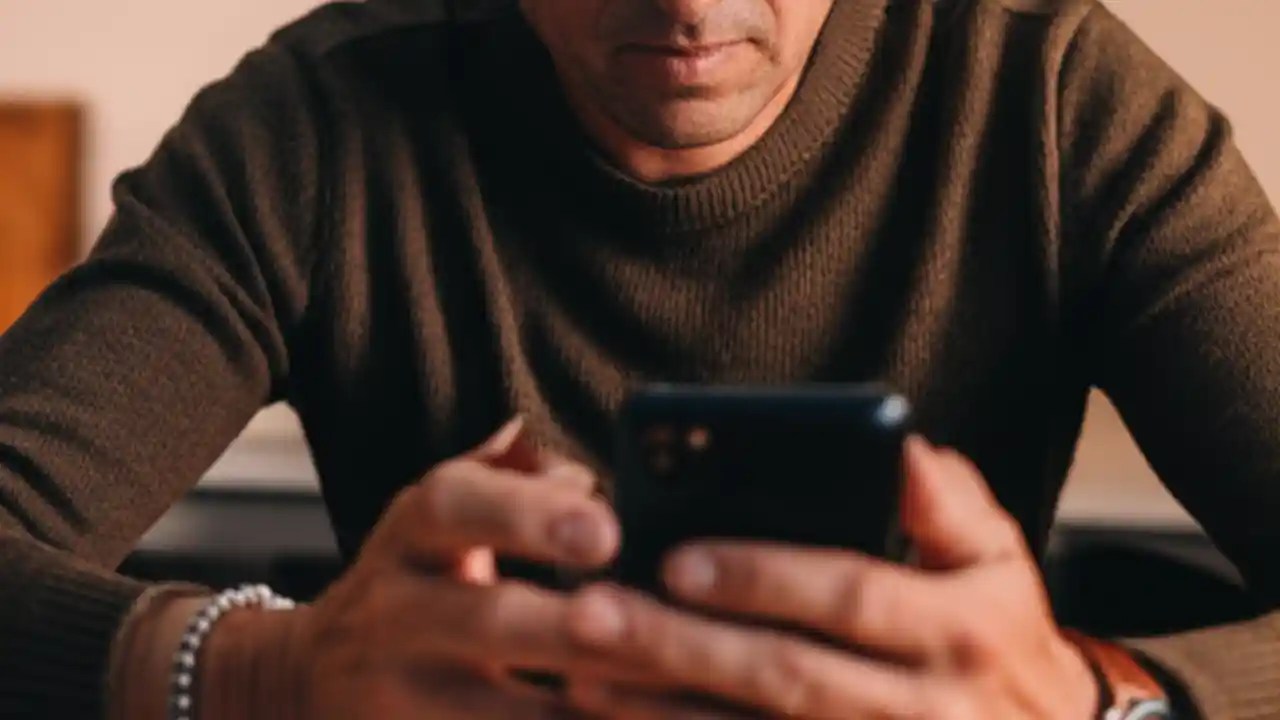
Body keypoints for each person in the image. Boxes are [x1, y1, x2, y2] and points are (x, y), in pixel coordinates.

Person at [1, 0, 1278, 717]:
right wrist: (260, 674)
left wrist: (1095, 699)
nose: (686, 0)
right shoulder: (315, 123)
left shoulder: (1057, 102)